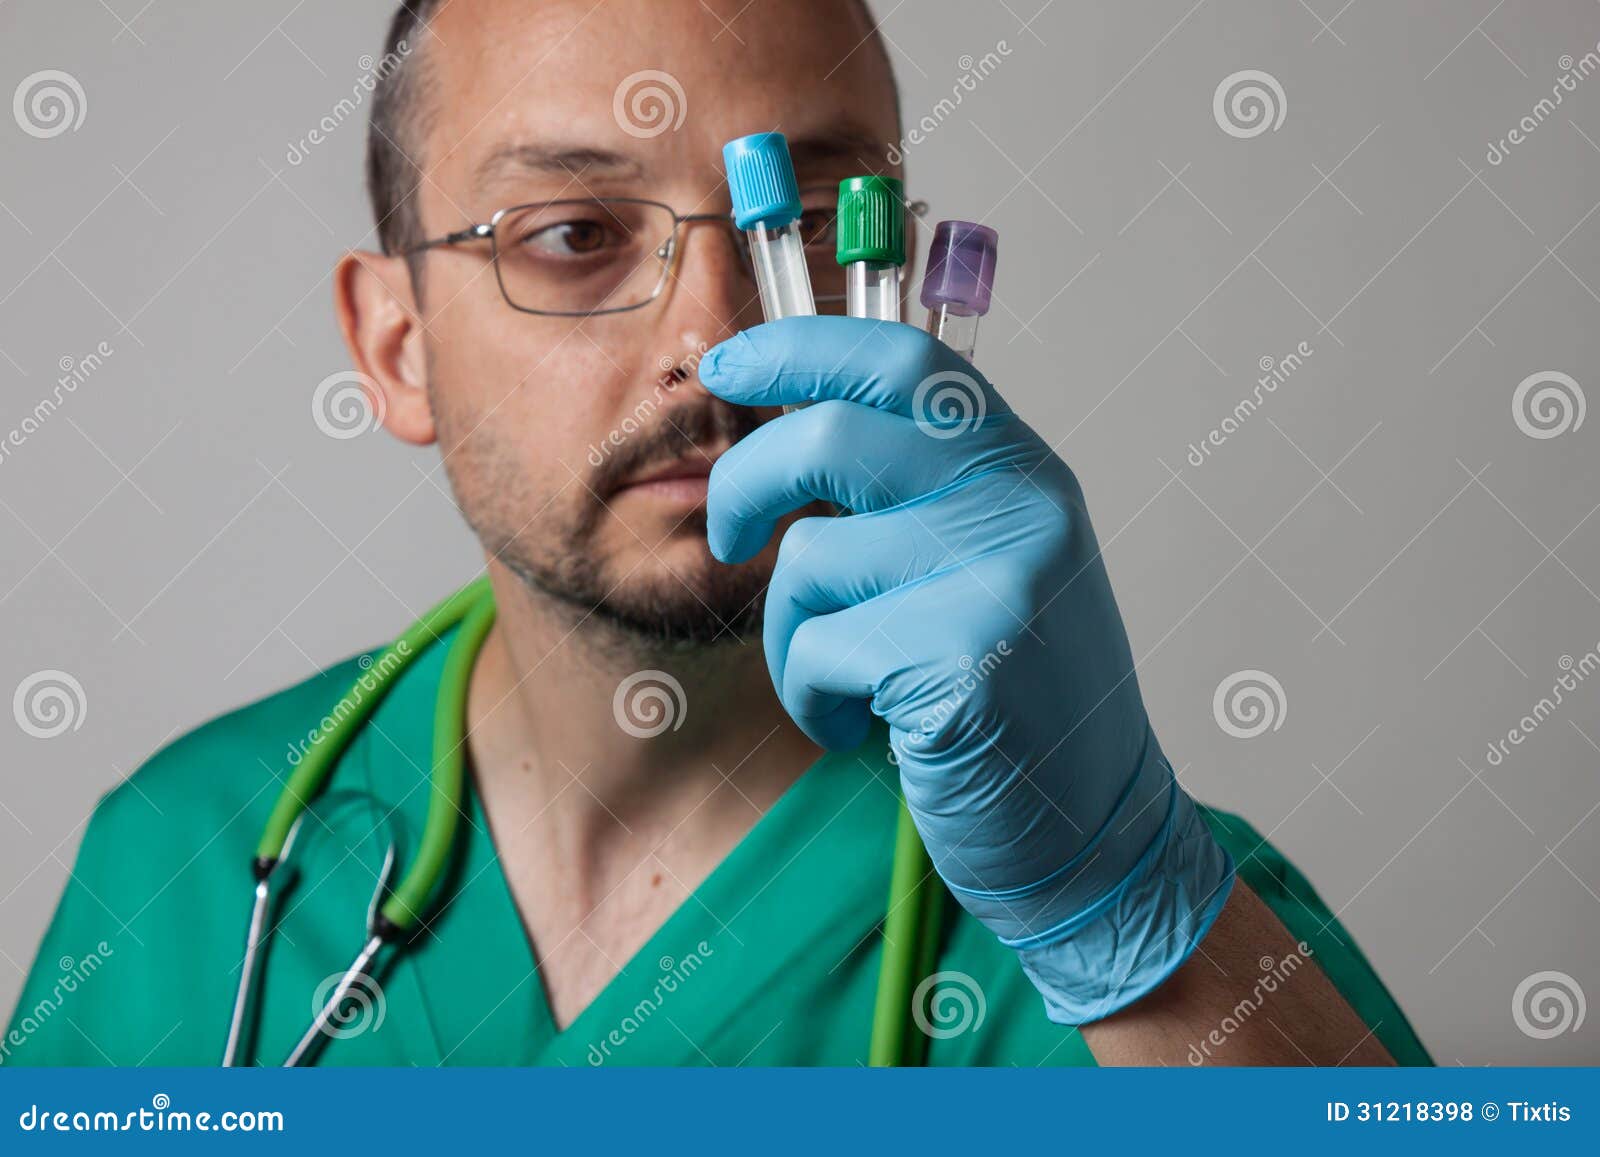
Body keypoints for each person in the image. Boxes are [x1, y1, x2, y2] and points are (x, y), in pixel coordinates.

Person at [6, 0, 1428, 1067]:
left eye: (803, 225)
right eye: (572, 234)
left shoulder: (1162, 930)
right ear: (395, 347)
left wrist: (1125, 918)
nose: (714, 340)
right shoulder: (183, 868)